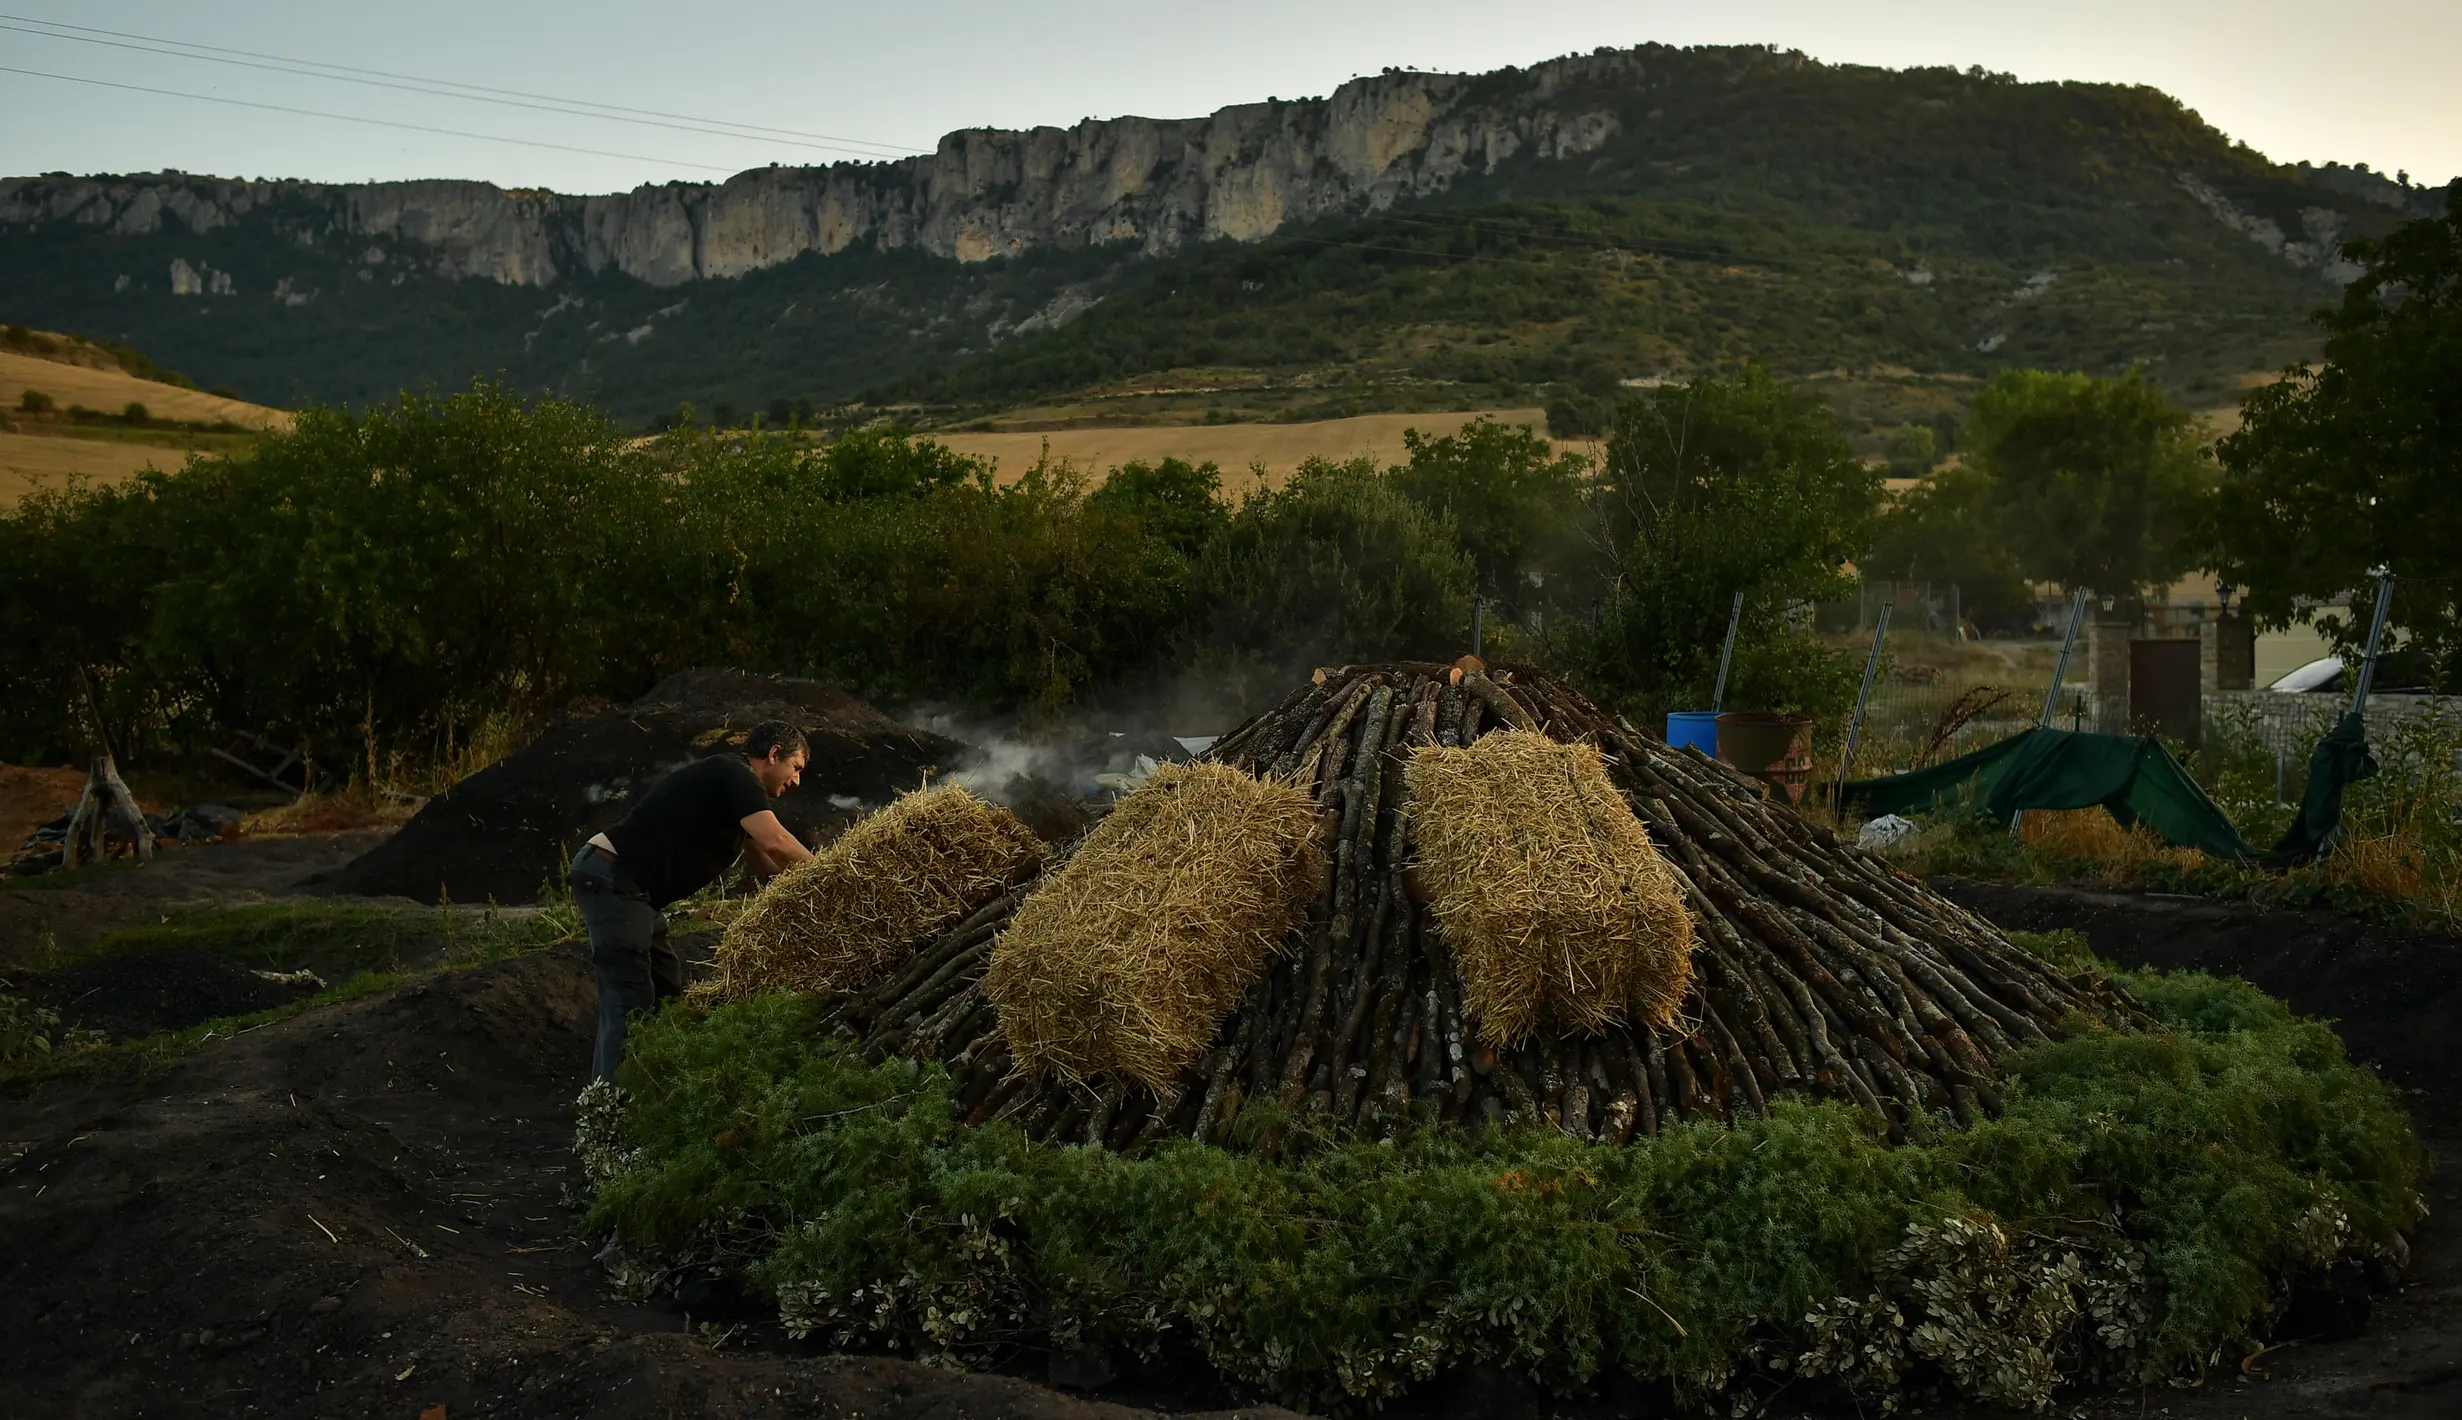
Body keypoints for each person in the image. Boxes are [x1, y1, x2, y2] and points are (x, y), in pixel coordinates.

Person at [569, 719, 816, 1079]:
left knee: (666, 990)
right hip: (612, 876)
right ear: (774, 754)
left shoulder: (736, 794)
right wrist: (831, 870)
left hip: (637, 893)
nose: (796, 781)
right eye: (796, 768)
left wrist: (806, 895)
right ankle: (609, 1105)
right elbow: (775, 841)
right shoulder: (737, 775)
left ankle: (652, 1087)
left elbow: (769, 863)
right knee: (628, 999)